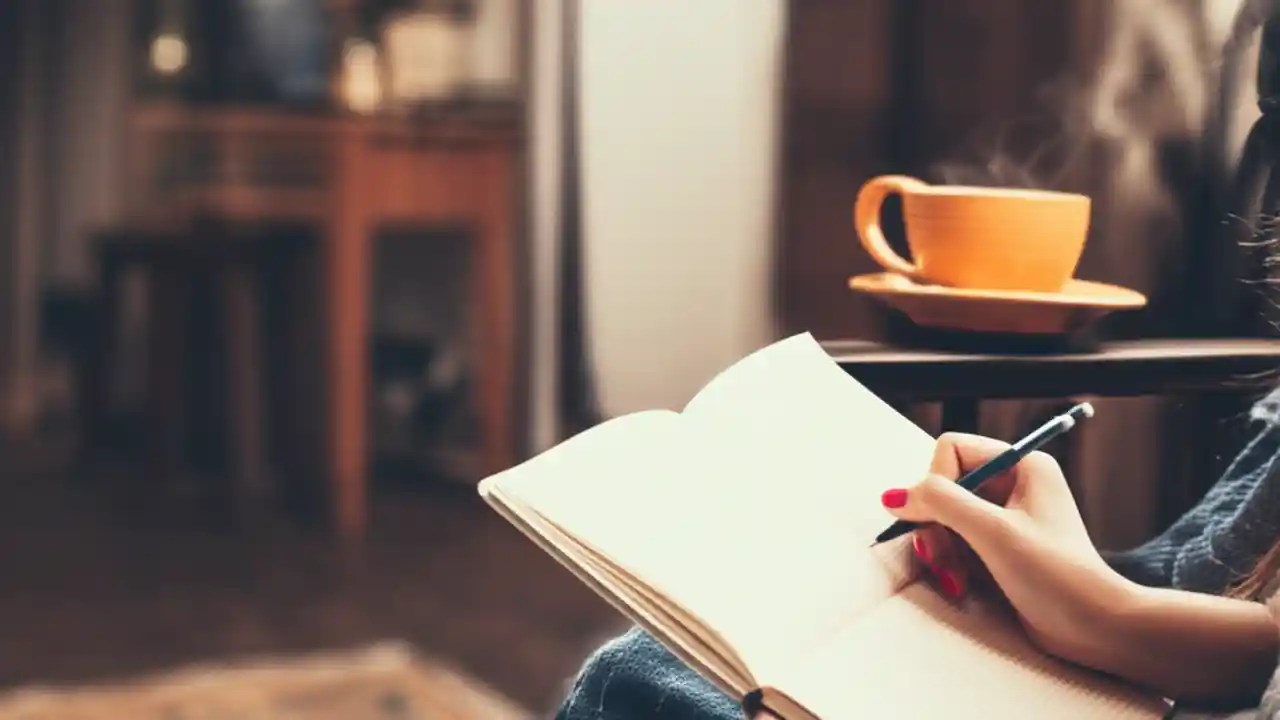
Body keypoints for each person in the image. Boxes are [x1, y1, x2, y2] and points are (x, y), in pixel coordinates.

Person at [555, 391, 1280, 719]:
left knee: (648, 686)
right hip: (1153, 651)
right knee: (658, 662)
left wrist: (1102, 611)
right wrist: (1099, 606)